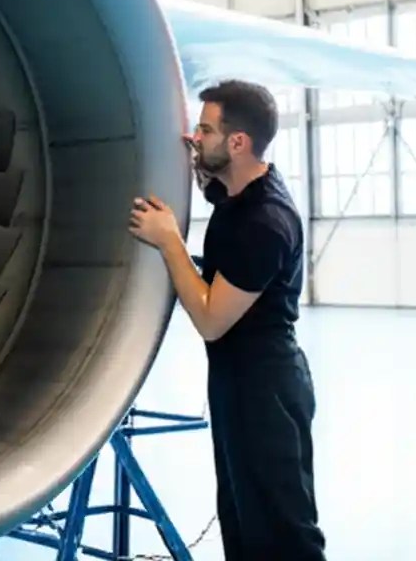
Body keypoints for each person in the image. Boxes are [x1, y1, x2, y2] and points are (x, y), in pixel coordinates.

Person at [128, 79, 326, 561]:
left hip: (266, 388)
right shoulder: (239, 192)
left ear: (237, 142)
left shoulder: (266, 222)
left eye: (205, 130)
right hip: (238, 382)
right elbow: (213, 187)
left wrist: (169, 240)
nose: (196, 139)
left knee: (282, 530)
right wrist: (192, 160)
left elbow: (212, 319)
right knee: (242, 520)